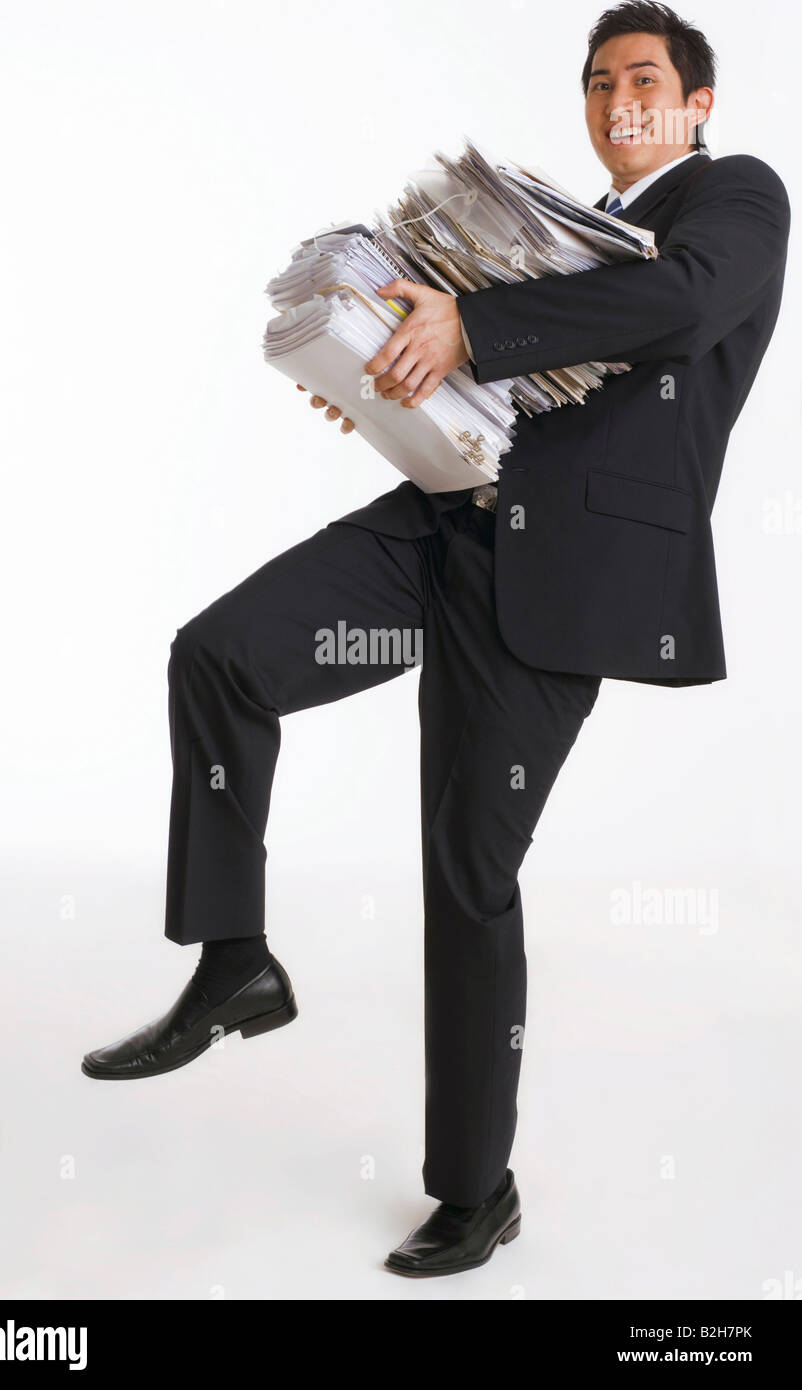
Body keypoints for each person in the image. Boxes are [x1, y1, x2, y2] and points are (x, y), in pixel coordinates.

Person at [81, 1, 790, 1278]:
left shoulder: (732, 201)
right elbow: (494, 381)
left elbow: (680, 309)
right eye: (595, 81)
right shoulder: (560, 236)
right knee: (223, 655)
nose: (615, 97)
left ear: (691, 104)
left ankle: (474, 1191)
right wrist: (384, 367)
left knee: (465, 872)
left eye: (641, 77)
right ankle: (236, 960)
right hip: (439, 536)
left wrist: (477, 324)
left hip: (562, 584)